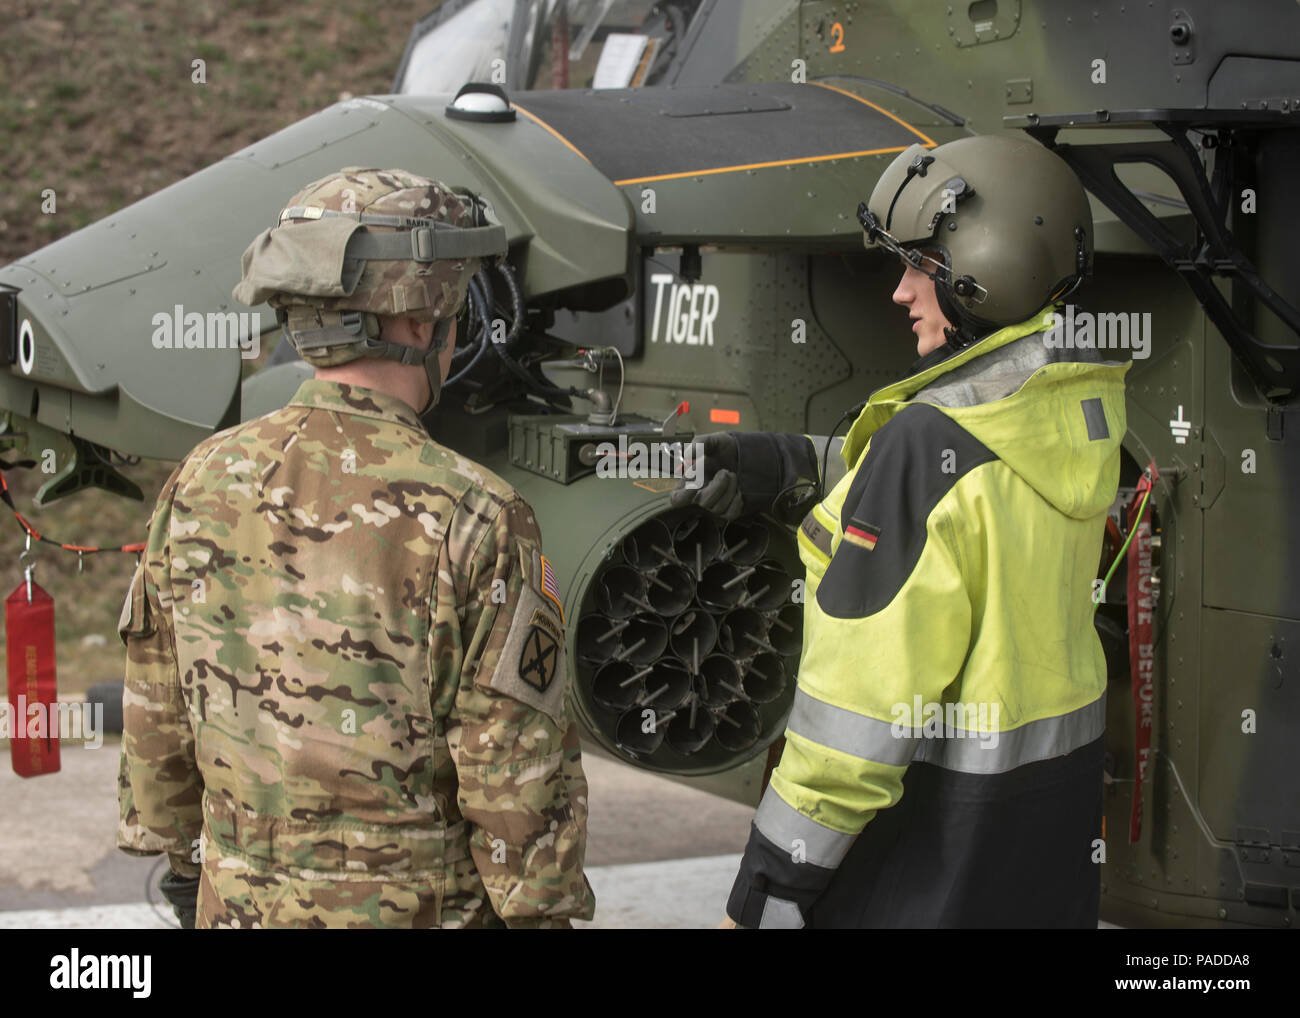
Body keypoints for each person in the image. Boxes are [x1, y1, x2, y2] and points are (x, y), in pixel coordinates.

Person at [117, 167, 595, 929]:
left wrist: (190, 871)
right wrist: (542, 910)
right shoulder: (476, 512)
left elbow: (156, 726)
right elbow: (517, 792)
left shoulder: (199, 482)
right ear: (416, 320)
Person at [674, 135, 1128, 927]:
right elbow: (970, 502)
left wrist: (769, 888)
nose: (901, 291)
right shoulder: (1069, 416)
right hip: (1037, 857)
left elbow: (853, 726)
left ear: (992, 265)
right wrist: (792, 465)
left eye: (921, 265)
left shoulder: (926, 448)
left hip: (918, 866)